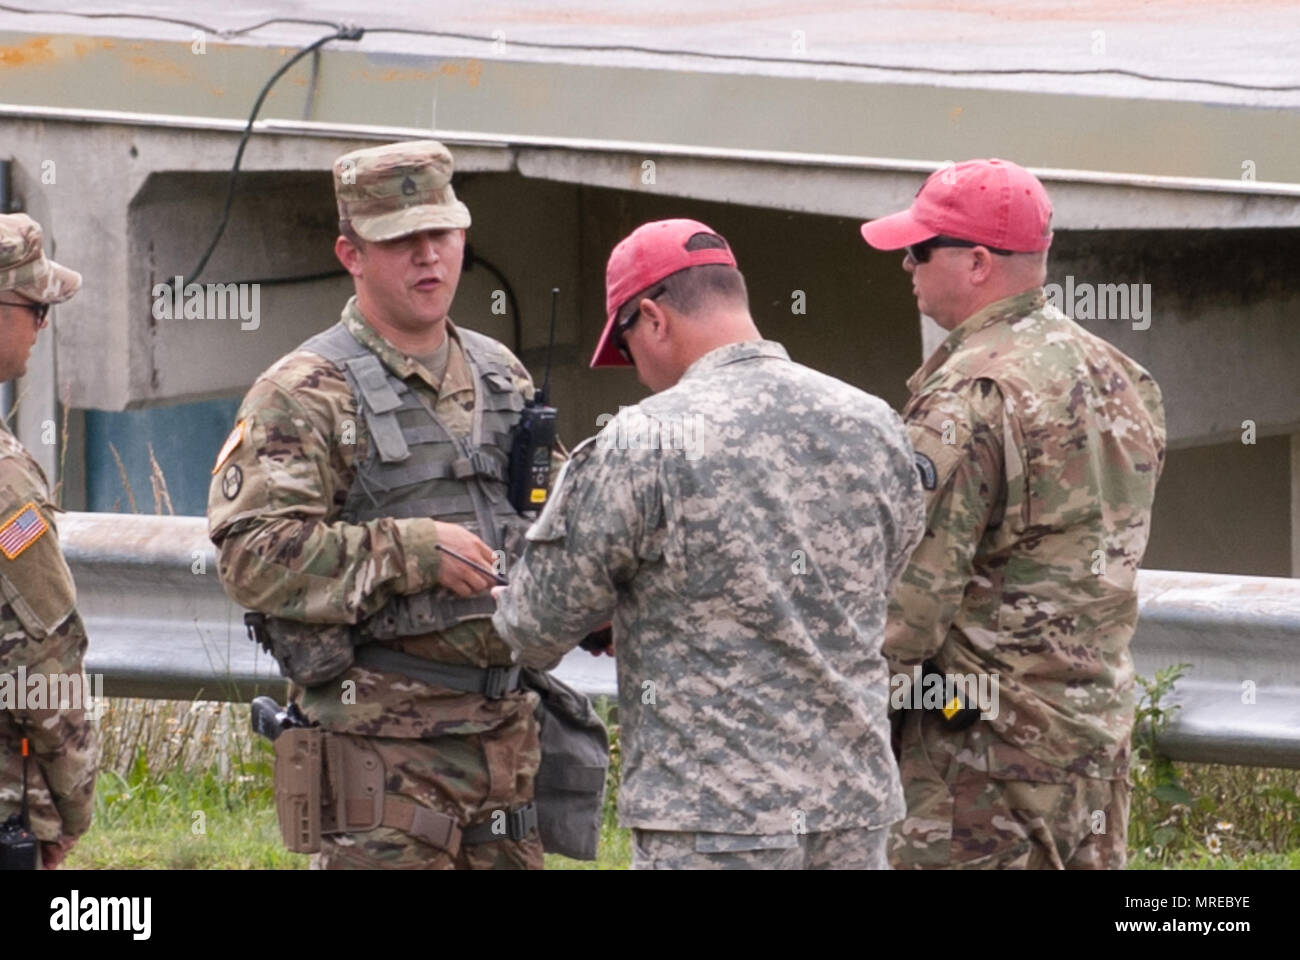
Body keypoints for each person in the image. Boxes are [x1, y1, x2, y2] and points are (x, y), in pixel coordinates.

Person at [492, 218, 926, 870]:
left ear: (652, 317)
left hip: (711, 821)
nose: (638, 374)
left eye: (629, 345)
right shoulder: (876, 424)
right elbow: (872, 577)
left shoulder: (643, 439)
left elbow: (532, 628)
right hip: (852, 811)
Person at [208, 140, 547, 870]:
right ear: (352, 253)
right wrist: (412, 552)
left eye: (442, 234)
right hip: (382, 763)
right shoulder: (302, 391)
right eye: (401, 240)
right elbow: (252, 558)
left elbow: (539, 523)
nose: (429, 257)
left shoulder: (502, 374)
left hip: (504, 750)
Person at [860, 158, 1166, 869]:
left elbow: (909, 608)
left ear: (975, 262)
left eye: (919, 248)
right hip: (1090, 744)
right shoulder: (1123, 376)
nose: (906, 264)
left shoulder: (969, 396)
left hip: (981, 769)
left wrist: (831, 728)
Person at [0, 213, 98, 870]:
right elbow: (43, 654)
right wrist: (71, 804)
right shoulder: (7, 485)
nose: (42, 325)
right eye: (36, 307)